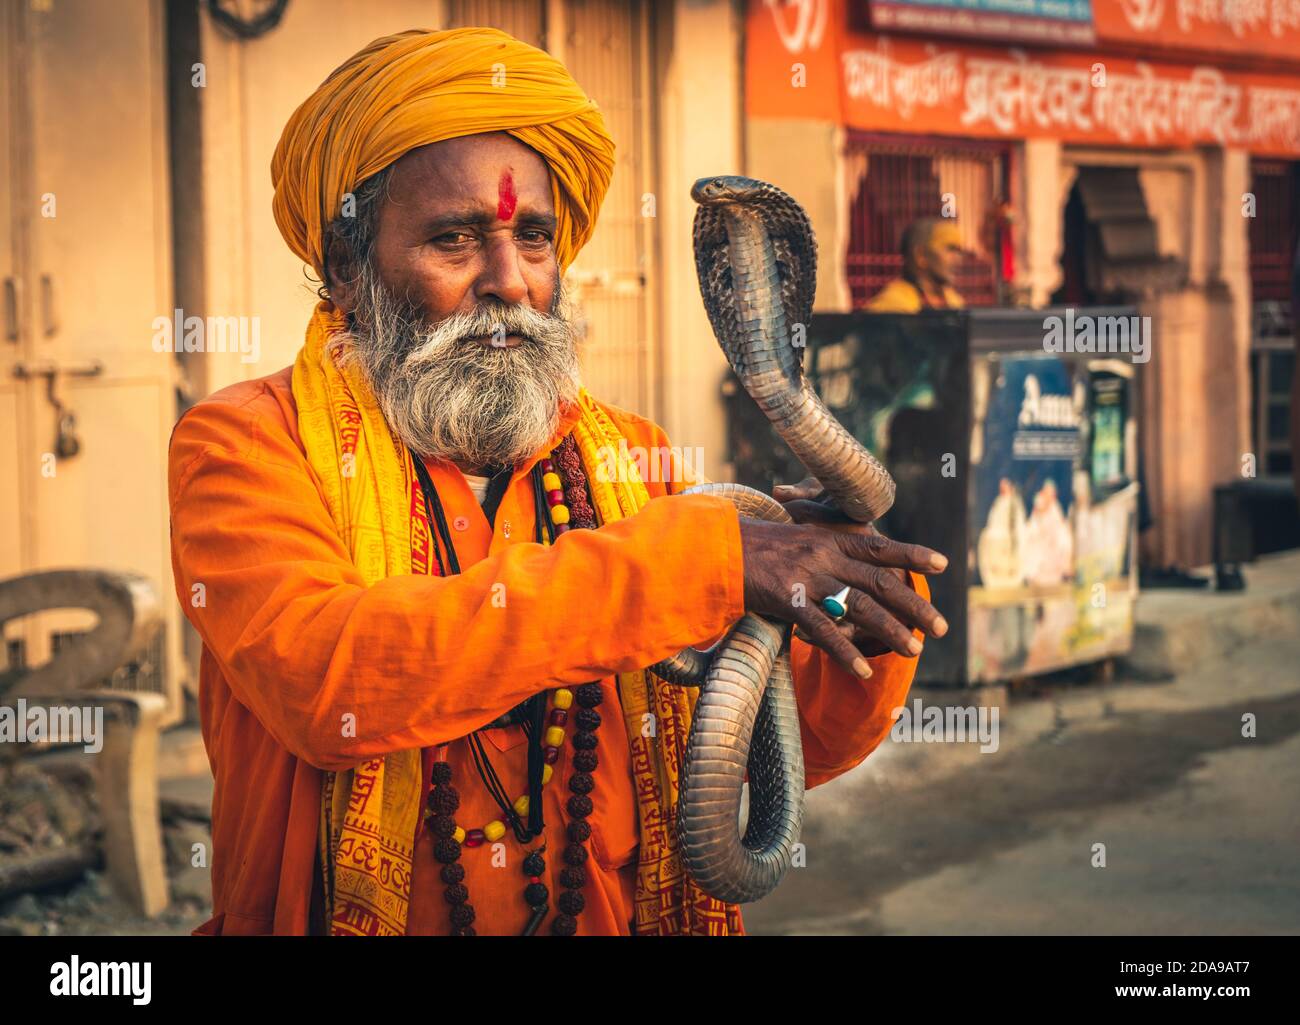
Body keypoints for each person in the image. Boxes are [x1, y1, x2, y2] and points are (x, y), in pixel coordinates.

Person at [168, 27, 948, 937]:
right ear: (347, 267)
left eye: (533, 238)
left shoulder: (629, 458)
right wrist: (692, 564)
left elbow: (791, 745)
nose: (510, 281)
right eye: (454, 240)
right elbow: (330, 680)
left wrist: (844, 597)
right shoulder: (249, 444)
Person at [866, 218, 966, 312]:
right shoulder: (893, 306)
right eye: (950, 249)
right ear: (920, 255)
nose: (958, 259)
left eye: (958, 251)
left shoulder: (954, 301)